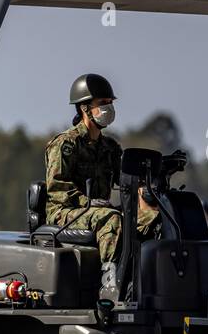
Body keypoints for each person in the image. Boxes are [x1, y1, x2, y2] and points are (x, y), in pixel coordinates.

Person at [43, 73, 158, 265]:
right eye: (103, 102)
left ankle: (142, 276)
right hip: (65, 212)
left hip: (97, 210)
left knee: (153, 218)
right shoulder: (65, 144)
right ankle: (110, 277)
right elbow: (57, 189)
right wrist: (87, 201)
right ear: (85, 108)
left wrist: (154, 173)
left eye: (110, 102)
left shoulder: (110, 147)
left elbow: (124, 179)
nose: (109, 108)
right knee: (111, 218)